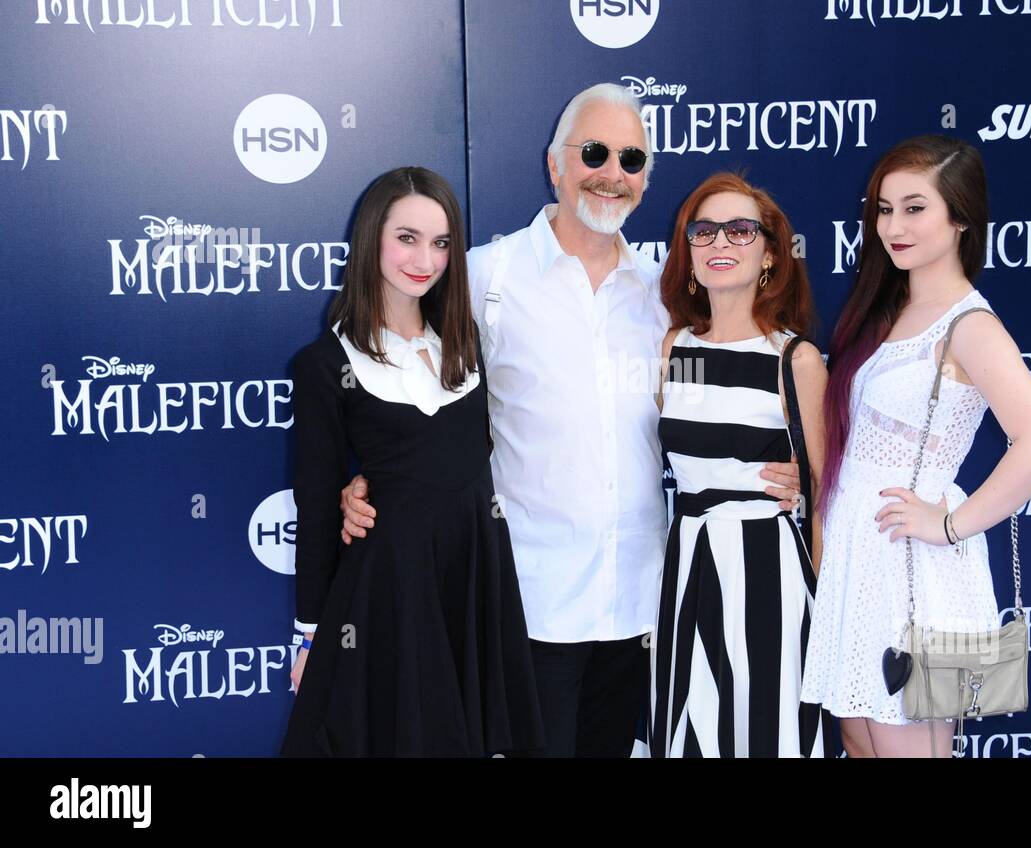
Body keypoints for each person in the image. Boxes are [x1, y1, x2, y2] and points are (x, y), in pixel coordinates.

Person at [338, 84, 807, 757]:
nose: (612, 173)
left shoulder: (668, 297)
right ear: (556, 164)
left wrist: (783, 474)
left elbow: (714, 410)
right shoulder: (482, 281)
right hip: (530, 603)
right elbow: (400, 390)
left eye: (632, 159)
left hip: (646, 606)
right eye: (594, 152)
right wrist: (362, 480)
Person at [799, 136, 1031, 758]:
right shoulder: (890, 310)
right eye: (884, 208)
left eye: (914, 208)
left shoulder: (970, 326)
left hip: (913, 567)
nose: (893, 225)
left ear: (961, 218)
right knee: (860, 741)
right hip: (858, 558)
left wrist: (950, 524)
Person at [282, 167, 544, 757]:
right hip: (388, 600)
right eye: (407, 237)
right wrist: (311, 636)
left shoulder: (471, 345)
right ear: (371, 237)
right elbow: (319, 509)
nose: (425, 258)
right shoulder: (325, 364)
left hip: (474, 584)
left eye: (441, 242)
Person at [651, 173, 830, 757]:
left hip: (767, 571)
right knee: (687, 734)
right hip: (686, 565)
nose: (720, 242)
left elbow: (824, 498)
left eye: (740, 229)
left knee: (764, 733)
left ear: (771, 254)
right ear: (689, 255)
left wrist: (830, 620)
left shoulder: (793, 358)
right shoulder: (676, 349)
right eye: (703, 231)